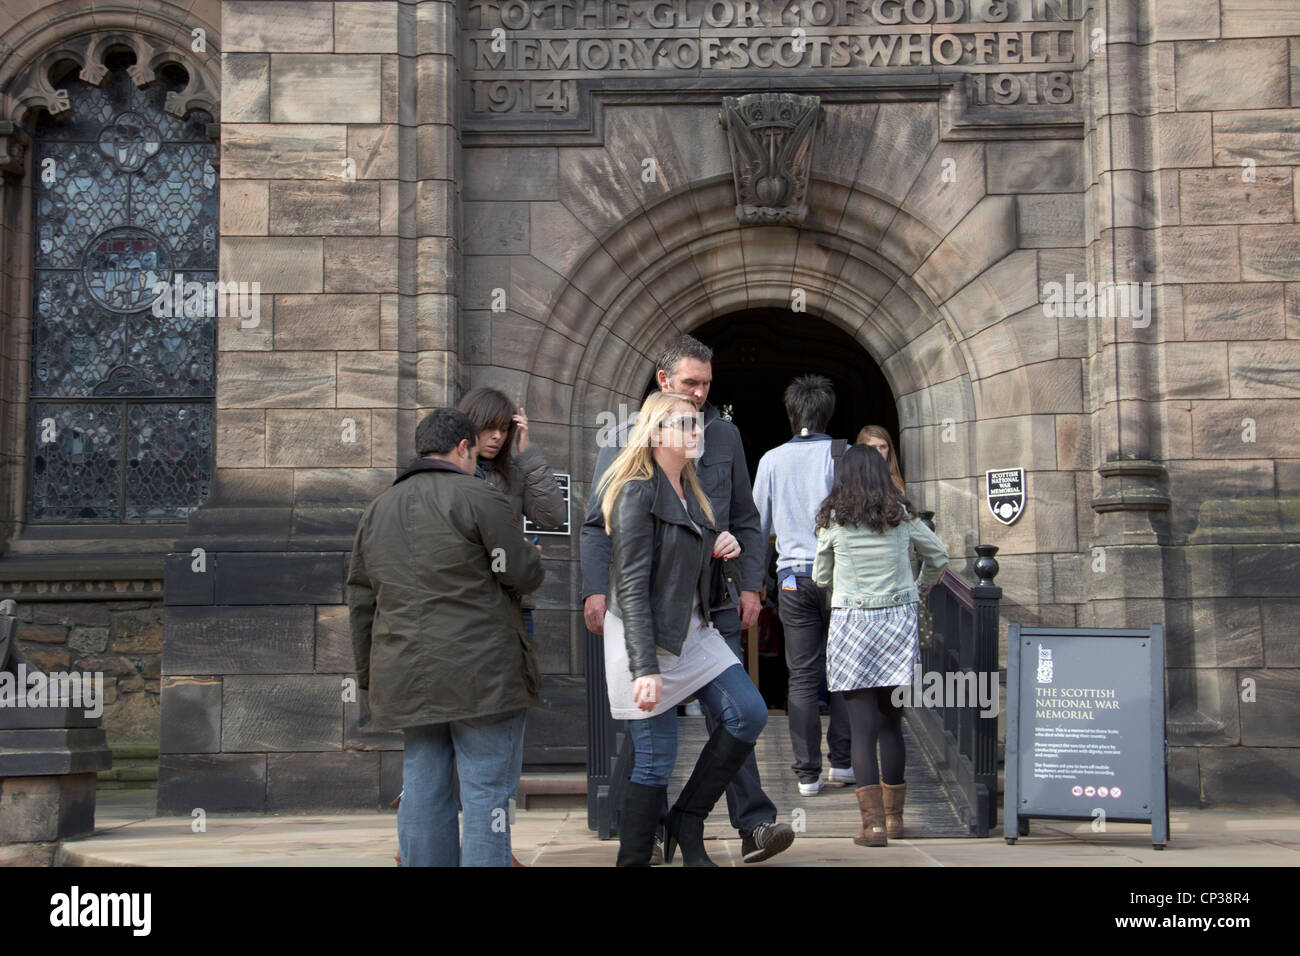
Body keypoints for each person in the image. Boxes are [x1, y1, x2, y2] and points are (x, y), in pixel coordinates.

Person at [581, 334, 795, 863]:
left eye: (706, 386)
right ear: (663, 384)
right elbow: (597, 527)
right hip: (648, 613)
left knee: (739, 714)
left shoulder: (721, 438)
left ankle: (750, 824)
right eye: (690, 385)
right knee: (649, 733)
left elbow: (744, 518)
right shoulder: (628, 446)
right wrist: (592, 590)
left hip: (710, 606)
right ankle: (649, 831)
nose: (699, 397)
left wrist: (750, 582)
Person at [347, 408, 545, 867]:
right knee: (486, 793)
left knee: (423, 788)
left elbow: (362, 603)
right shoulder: (477, 497)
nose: (476, 460)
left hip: (405, 675)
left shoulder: (377, 510)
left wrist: (369, 678)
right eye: (474, 452)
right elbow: (517, 571)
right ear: (462, 448)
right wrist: (533, 558)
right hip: (482, 674)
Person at [812, 445, 948, 847]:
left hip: (853, 624)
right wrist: (918, 588)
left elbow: (821, 577)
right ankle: (895, 820)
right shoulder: (903, 517)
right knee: (892, 723)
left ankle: (871, 827)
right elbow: (938, 557)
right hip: (897, 622)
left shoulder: (834, 521)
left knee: (861, 729)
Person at [752, 374, 853, 796]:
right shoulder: (843, 455)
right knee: (844, 672)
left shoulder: (771, 460)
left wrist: (755, 580)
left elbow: (755, 526)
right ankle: (843, 763)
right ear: (828, 412)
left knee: (802, 676)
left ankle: (807, 773)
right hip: (843, 574)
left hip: (793, 576)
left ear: (792, 415)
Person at [856, 424, 906, 492]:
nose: (879, 451)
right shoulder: (851, 482)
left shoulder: (896, 484)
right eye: (872, 447)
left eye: (883, 447)